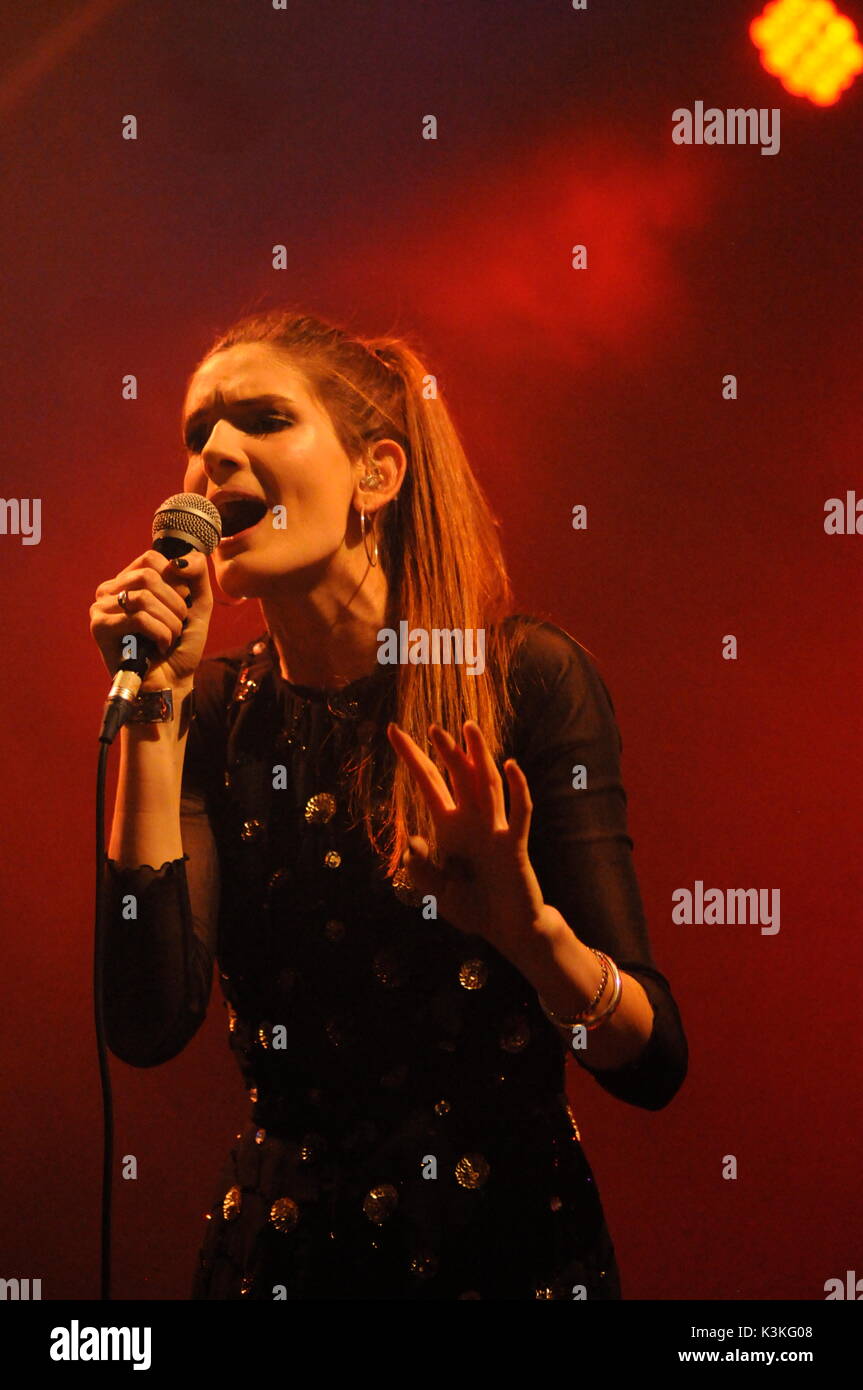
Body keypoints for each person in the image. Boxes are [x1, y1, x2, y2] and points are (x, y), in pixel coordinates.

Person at [90, 308, 688, 1300]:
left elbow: (650, 1061)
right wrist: (153, 699)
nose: (211, 456)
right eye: (197, 434)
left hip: (502, 1256)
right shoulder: (207, 713)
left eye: (263, 419)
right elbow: (146, 1022)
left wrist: (529, 933)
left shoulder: (523, 681)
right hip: (282, 1258)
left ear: (376, 473)